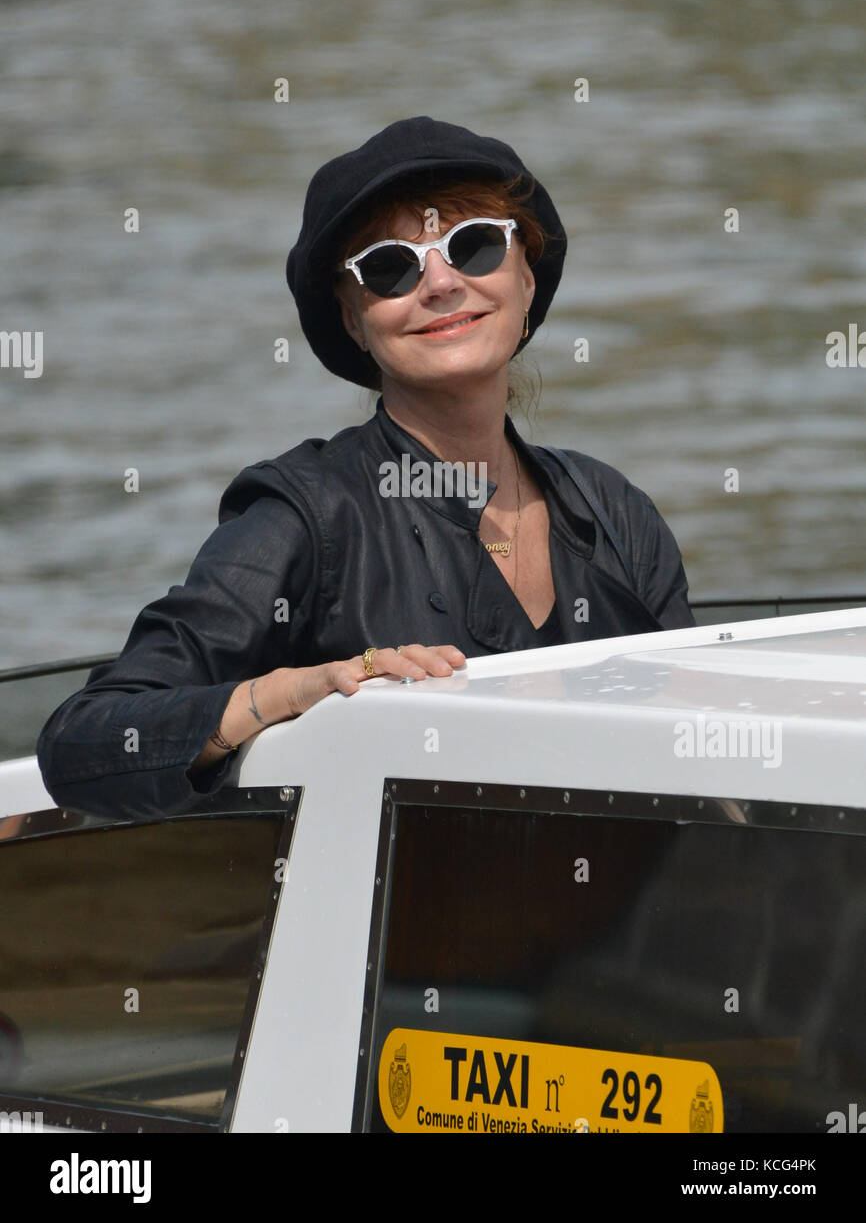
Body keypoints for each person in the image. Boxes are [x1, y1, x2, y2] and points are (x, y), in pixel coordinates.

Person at [37, 116, 694, 821]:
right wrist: (286, 695)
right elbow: (82, 741)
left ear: (527, 278)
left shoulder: (617, 512)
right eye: (390, 266)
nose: (441, 283)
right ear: (352, 321)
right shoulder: (308, 515)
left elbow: (695, 758)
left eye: (473, 246)